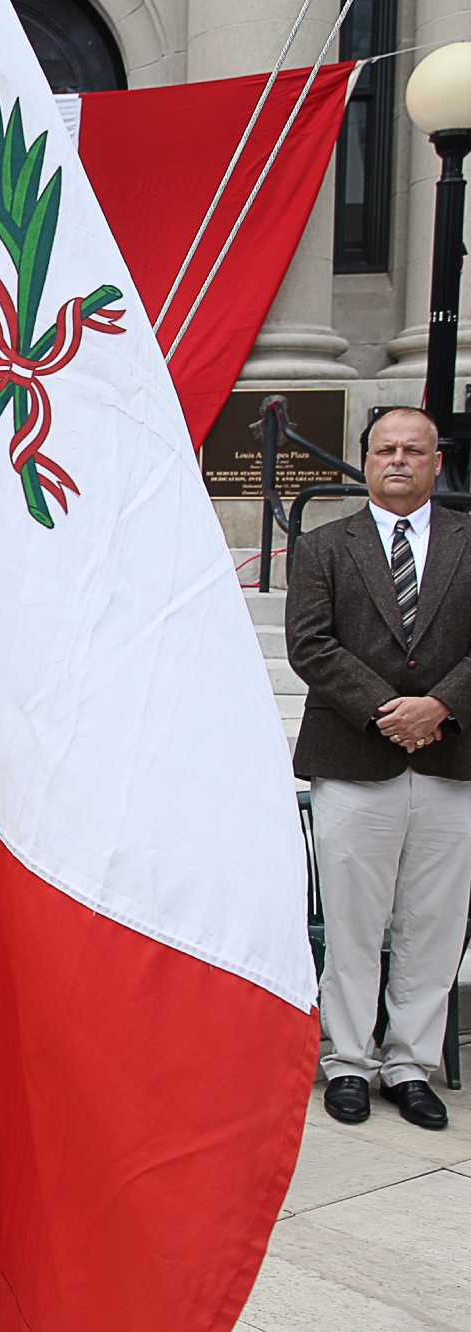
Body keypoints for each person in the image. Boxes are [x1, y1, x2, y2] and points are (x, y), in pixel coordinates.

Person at [289, 405, 471, 1133]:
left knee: (432, 921)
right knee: (356, 922)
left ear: (436, 462)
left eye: (413, 449)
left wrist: (439, 707)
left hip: (450, 760)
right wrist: (392, 708)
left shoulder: (468, 540)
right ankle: (349, 1063)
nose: (398, 459)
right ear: (365, 460)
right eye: (385, 449)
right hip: (353, 757)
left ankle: (409, 1063)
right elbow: (309, 644)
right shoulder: (323, 545)